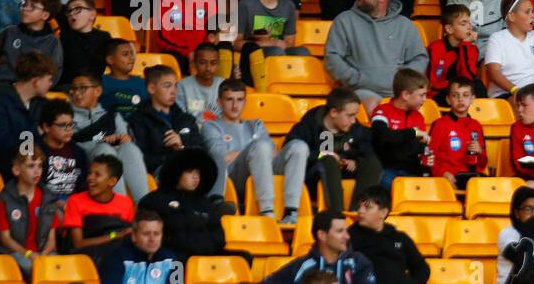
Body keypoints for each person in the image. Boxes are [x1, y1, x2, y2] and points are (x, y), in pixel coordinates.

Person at [324, 0, 427, 115]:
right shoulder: (344, 20)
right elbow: (332, 57)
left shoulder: (405, 25)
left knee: (422, 108)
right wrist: (356, 78)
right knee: (374, 106)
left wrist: (403, 81)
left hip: (400, 93)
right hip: (361, 91)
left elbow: (420, 58)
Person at [202, 80, 304, 222]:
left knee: (299, 147)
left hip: (264, 170)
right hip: (234, 176)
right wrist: (254, 152)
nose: (235, 105)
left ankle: (291, 212)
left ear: (245, 101)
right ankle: (267, 212)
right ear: (219, 102)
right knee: (261, 147)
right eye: (229, 99)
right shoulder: (211, 126)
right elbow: (221, 158)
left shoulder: (256, 124)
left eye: (239, 100)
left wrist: (252, 153)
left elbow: (272, 153)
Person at [283, 88, 382, 211]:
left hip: (344, 171)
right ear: (334, 112)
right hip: (315, 175)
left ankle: (358, 212)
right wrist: (322, 154)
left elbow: (368, 150)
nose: (353, 120)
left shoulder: (355, 128)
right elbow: (292, 152)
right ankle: (336, 214)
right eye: (350, 115)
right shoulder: (308, 125)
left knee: (373, 162)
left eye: (355, 115)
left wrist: (355, 161)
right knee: (328, 159)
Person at [264, 209, 377, 284]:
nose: (347, 236)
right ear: (322, 235)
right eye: (340, 231)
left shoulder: (358, 262)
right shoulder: (303, 266)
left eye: (346, 230)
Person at [67, 72, 148, 202]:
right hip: (83, 163)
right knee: (104, 149)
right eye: (74, 89)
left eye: (82, 88)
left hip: (113, 161)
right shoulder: (67, 117)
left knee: (130, 148)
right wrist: (101, 141)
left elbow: (125, 138)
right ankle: (118, 207)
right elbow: (68, 145)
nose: (77, 93)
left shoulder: (112, 116)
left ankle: (145, 206)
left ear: (97, 91)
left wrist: (122, 139)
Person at [232, 0, 312, 83]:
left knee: (303, 52)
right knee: (276, 50)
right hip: (254, 56)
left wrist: (275, 43)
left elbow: (289, 43)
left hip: (280, 52)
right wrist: (268, 43)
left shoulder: (289, 6)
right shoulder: (245, 5)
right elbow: (235, 43)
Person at [137, 148, 226, 260]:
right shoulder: (154, 201)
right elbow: (159, 237)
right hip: (173, 257)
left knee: (243, 257)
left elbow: (219, 237)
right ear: (177, 173)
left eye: (198, 173)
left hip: (206, 257)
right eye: (190, 172)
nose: (195, 177)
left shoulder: (206, 204)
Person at [0, 53, 53, 178]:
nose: (51, 84)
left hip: (31, 176)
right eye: (49, 80)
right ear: (35, 81)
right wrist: (35, 133)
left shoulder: (41, 105)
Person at [129, 65, 207, 180]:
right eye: (167, 86)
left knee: (215, 162)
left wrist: (181, 147)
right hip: (161, 172)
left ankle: (216, 198)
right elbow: (142, 159)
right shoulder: (139, 120)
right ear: (151, 88)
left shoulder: (186, 118)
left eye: (175, 86)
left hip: (192, 169)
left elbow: (202, 151)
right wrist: (175, 156)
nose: (174, 92)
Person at [97, 211, 179, 284]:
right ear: (134, 236)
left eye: (156, 233)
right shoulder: (116, 258)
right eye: (146, 234)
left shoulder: (173, 260)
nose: (152, 239)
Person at [0, 150, 59, 279]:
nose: (37, 171)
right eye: (31, 166)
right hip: (15, 252)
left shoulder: (48, 198)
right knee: (32, 267)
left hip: (43, 253)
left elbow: (52, 239)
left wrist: (43, 254)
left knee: (59, 268)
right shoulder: (6, 198)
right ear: (16, 170)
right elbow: (5, 239)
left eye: (40, 166)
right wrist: (28, 254)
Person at [0, 0, 61, 86]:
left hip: (32, 92)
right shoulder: (10, 32)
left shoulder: (52, 42)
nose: (25, 9)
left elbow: (54, 73)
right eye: (25, 4)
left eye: (32, 7)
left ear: (45, 15)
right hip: (3, 86)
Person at [484, 0, 534, 98]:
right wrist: (515, 90)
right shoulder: (497, 39)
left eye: (532, 11)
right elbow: (493, 72)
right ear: (512, 16)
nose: (533, 15)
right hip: (505, 94)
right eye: (527, 12)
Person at [427, 6, 483, 104]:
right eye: (463, 23)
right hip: (441, 93)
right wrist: (453, 85)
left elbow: (468, 77)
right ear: (449, 29)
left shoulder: (472, 49)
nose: (469, 27)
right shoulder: (435, 48)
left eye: (469, 23)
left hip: (464, 91)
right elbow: (433, 82)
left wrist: (465, 46)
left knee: (478, 85)